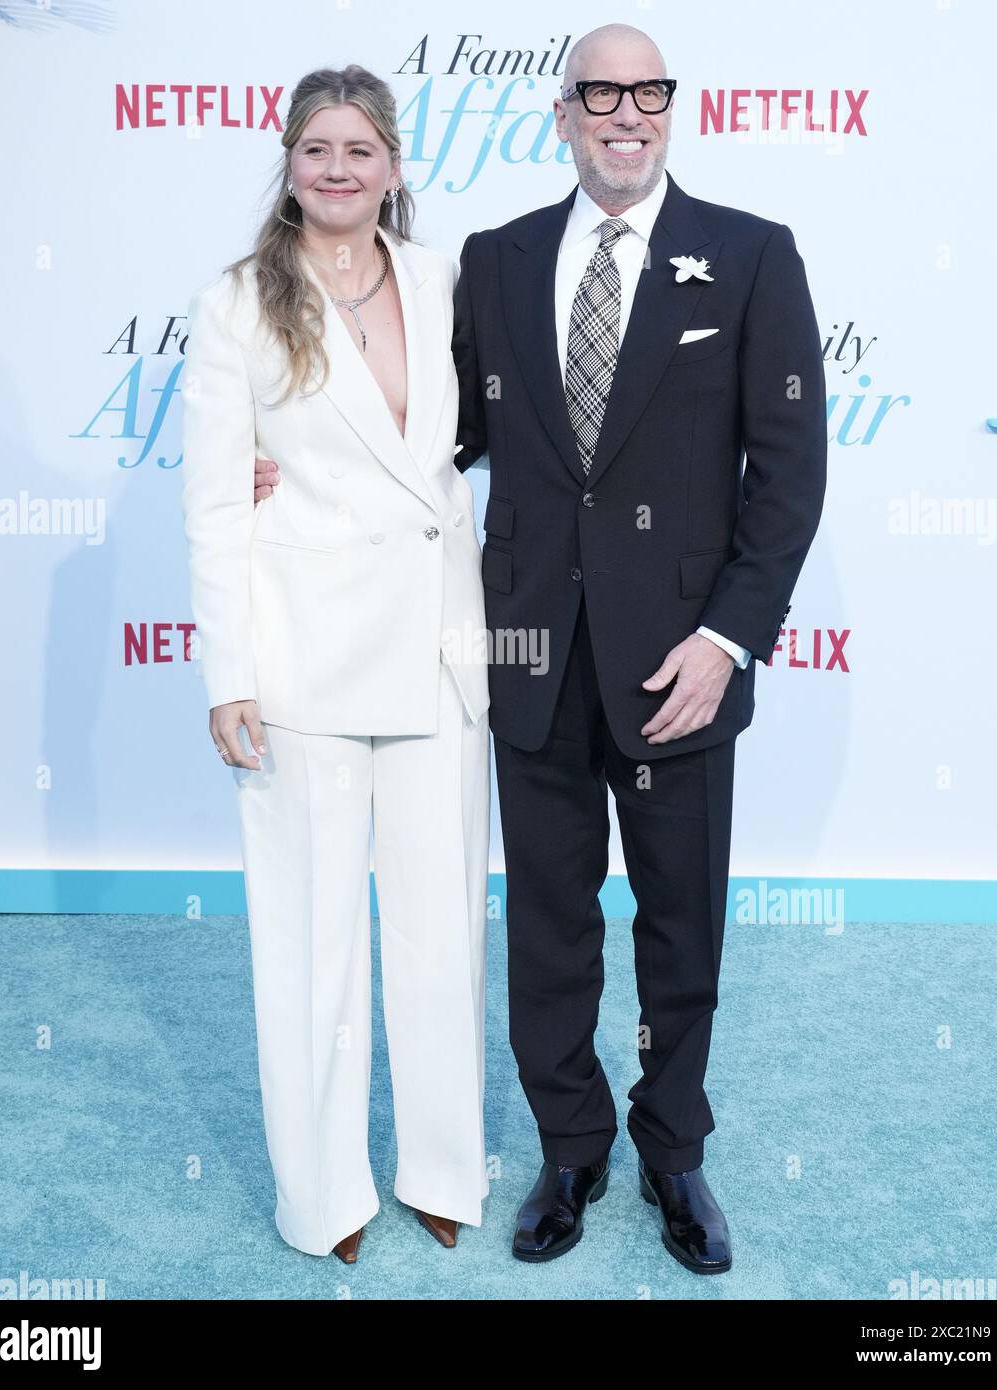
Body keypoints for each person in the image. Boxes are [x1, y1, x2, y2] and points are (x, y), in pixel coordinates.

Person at [255, 23, 827, 1273]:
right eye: (596, 94)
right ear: (559, 115)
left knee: (680, 925)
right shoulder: (497, 261)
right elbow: (430, 434)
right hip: (523, 654)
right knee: (547, 925)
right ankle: (570, 1150)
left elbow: (785, 479)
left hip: (680, 665)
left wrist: (728, 639)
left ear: (669, 110)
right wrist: (284, 449)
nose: (623, 114)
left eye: (646, 92)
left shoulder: (749, 256)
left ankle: (672, 1150)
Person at [181, 64, 491, 1264]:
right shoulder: (237, 302)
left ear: (394, 162)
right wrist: (227, 673)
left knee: (441, 930)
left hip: (439, 649)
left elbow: (465, 438)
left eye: (361, 148)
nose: (340, 168)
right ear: (288, 161)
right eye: (318, 149)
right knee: (307, 943)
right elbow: (213, 502)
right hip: (301, 659)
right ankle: (320, 1198)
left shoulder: (439, 275)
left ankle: (443, 1169)